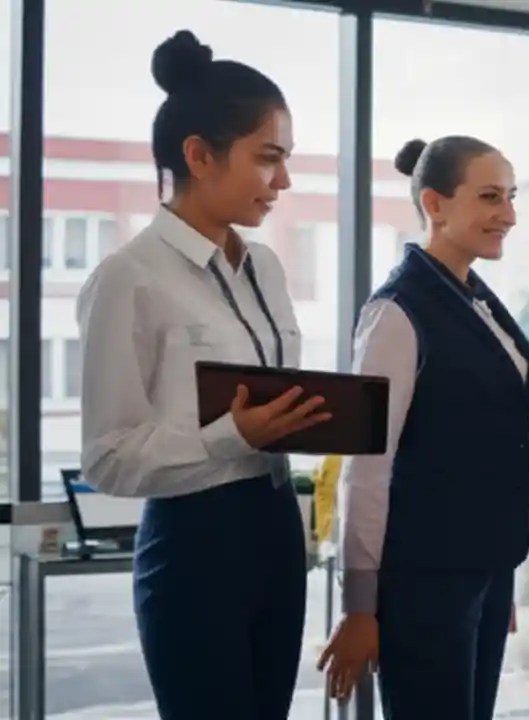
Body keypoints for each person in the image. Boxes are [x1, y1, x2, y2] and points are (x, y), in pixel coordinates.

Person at [76, 31, 329, 720]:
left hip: (276, 527)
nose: (283, 182)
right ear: (198, 155)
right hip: (195, 545)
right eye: (268, 159)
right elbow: (106, 457)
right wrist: (229, 435)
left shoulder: (267, 269)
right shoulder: (128, 278)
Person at [318, 136, 529, 719]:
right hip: (424, 583)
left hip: (480, 574)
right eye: (491, 197)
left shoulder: (474, 300)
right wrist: (359, 607)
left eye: (512, 197)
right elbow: (366, 470)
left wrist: (494, 574)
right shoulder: (396, 312)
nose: (509, 215)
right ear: (434, 205)